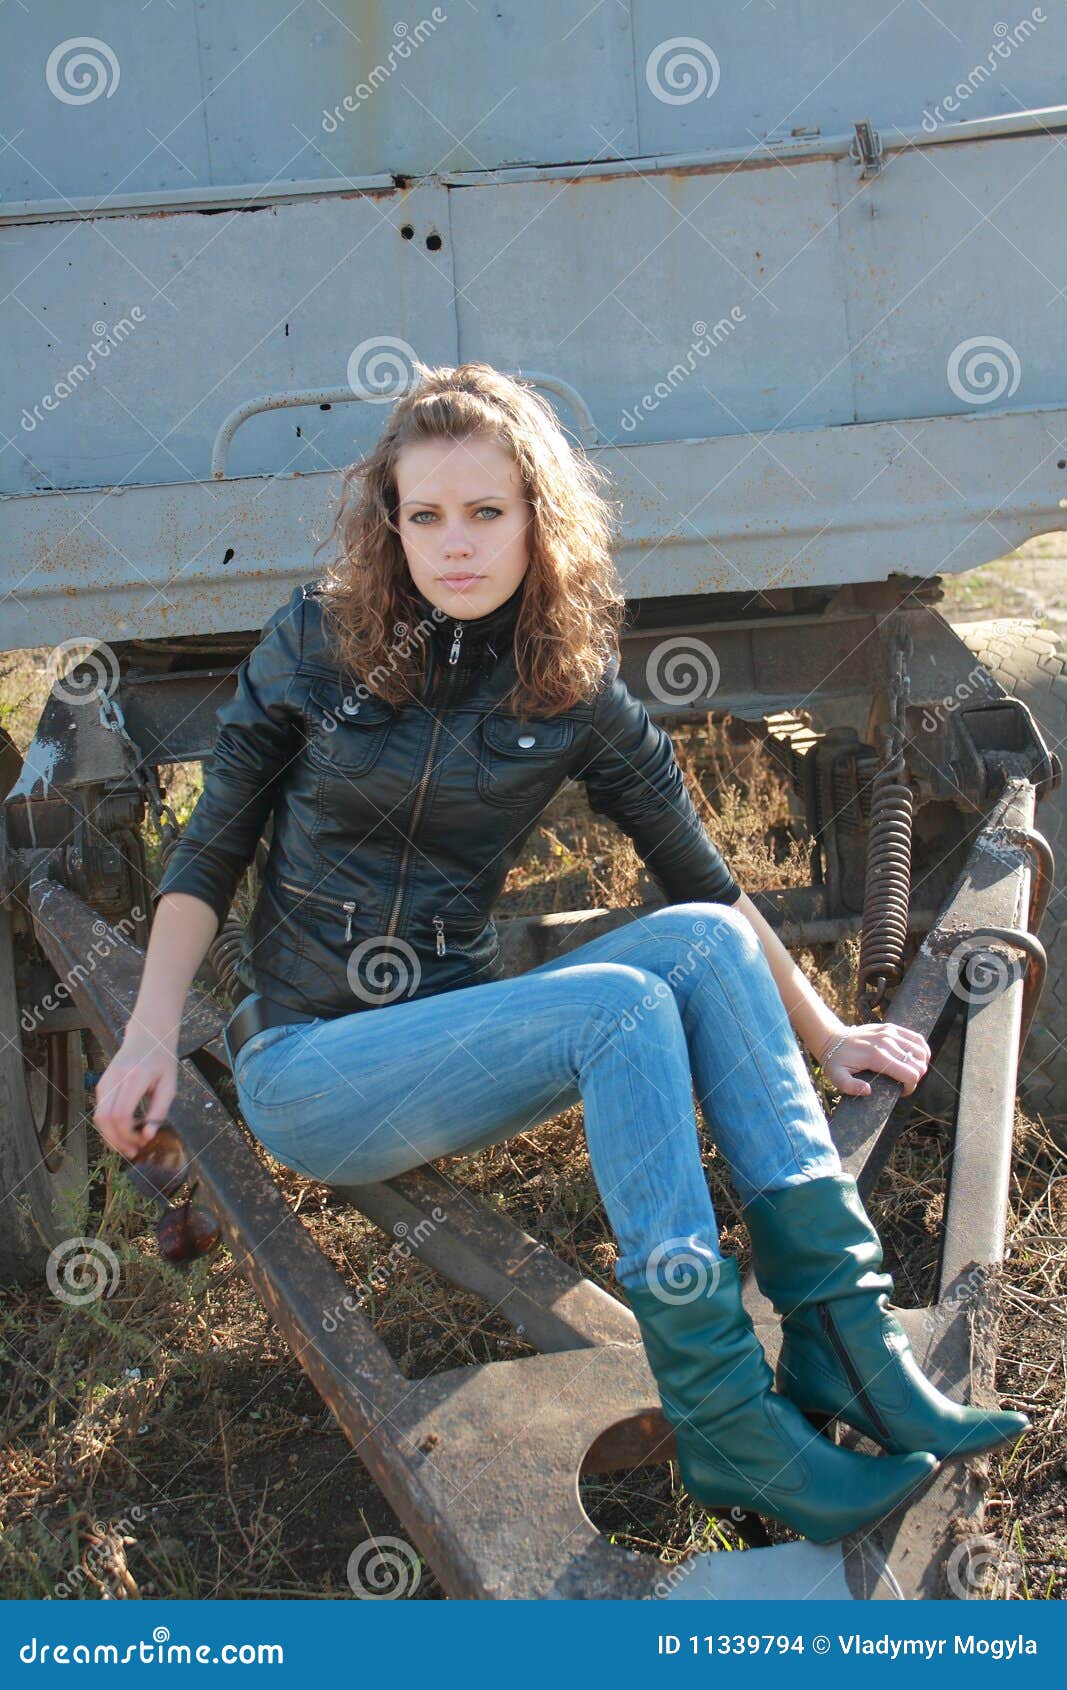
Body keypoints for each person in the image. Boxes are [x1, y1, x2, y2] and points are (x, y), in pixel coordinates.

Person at [92, 362, 1027, 1545]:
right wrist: (144, 1036)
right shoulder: (315, 645)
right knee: (621, 1010)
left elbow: (704, 881)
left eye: (486, 512)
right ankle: (727, 1417)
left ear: (539, 513)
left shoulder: (566, 680)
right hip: (314, 1066)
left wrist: (824, 1030)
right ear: (388, 522)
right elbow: (208, 848)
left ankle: (845, 1335)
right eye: (423, 515)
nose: (455, 545)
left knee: (685, 941)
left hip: (460, 1044)